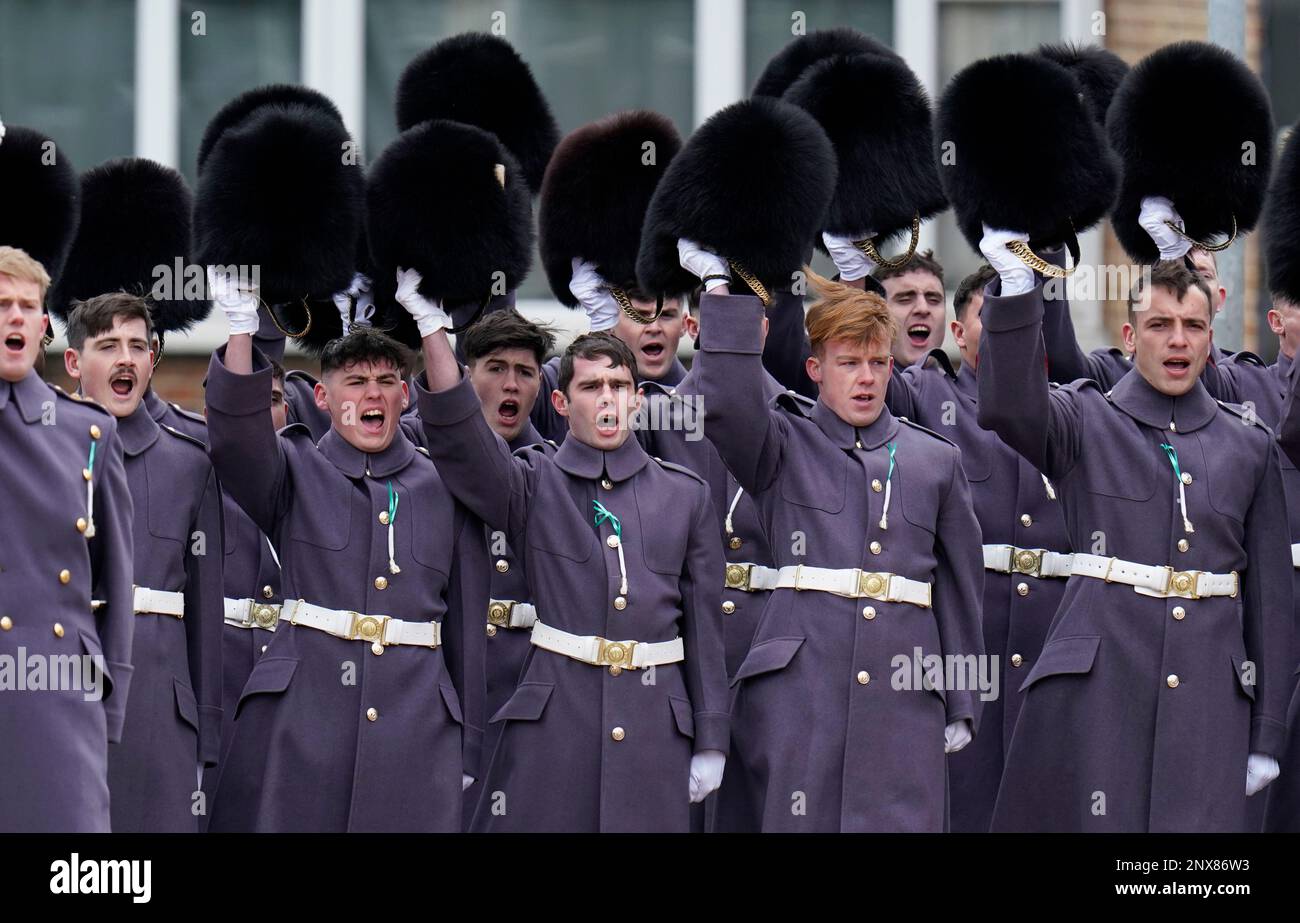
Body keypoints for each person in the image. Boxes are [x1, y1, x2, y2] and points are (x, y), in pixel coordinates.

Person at [978, 232, 1291, 831]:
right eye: (1160, 325)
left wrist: (1266, 731)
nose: (1178, 340)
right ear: (1128, 337)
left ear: (1210, 338)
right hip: (1096, 699)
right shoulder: (1086, 418)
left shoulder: (1249, 444)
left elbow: (1270, 604)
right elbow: (1008, 406)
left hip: (1207, 704)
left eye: (1194, 326)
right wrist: (1019, 289)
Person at [406, 272, 728, 832]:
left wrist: (711, 736)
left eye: (619, 386)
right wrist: (432, 328)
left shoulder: (685, 494)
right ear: (560, 399)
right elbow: (461, 442)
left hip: (656, 728)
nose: (607, 398)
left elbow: (702, 628)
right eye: (590, 387)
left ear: (638, 399)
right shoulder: (532, 482)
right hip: (554, 724)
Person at [686, 241, 985, 832]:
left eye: (877, 362)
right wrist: (720, 287)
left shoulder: (935, 460)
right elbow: (722, 399)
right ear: (815, 369)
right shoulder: (780, 444)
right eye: (849, 363)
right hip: (798, 691)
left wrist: (962, 696)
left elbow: (958, 589)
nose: (867, 378)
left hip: (905, 695)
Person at [202, 269, 488, 832]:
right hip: (301, 723)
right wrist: (241, 327)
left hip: (416, 729)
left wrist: (467, 741)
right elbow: (235, 438)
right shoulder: (294, 467)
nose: (372, 393)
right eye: (355, 381)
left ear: (406, 395)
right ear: (323, 398)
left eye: (386, 380)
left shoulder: (443, 486)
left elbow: (465, 629)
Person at [827, 236, 1073, 833]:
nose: (1012, 328)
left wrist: (1049, 256)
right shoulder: (920, 394)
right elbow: (852, 362)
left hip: (1050, 641)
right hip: (962, 643)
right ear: (957, 336)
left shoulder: (1071, 406)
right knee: (959, 804)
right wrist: (851, 272)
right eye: (993, 317)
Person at [62, 292, 224, 832]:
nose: (126, 359)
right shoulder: (33, 449)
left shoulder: (190, 458)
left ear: (154, 358)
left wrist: (208, 732)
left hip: (159, 703)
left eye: (138, 346)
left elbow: (205, 608)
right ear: (73, 362)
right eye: (108, 346)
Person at [0, 247, 135, 832]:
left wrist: (109, 706)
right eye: (2, 305)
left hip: (59, 695)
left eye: (28, 306)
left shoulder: (87, 431)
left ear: (43, 324)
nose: (16, 318)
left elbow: (117, 582)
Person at [869, 249, 947, 368]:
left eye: (933, 300)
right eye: (905, 299)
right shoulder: (855, 385)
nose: (923, 308)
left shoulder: (967, 386)